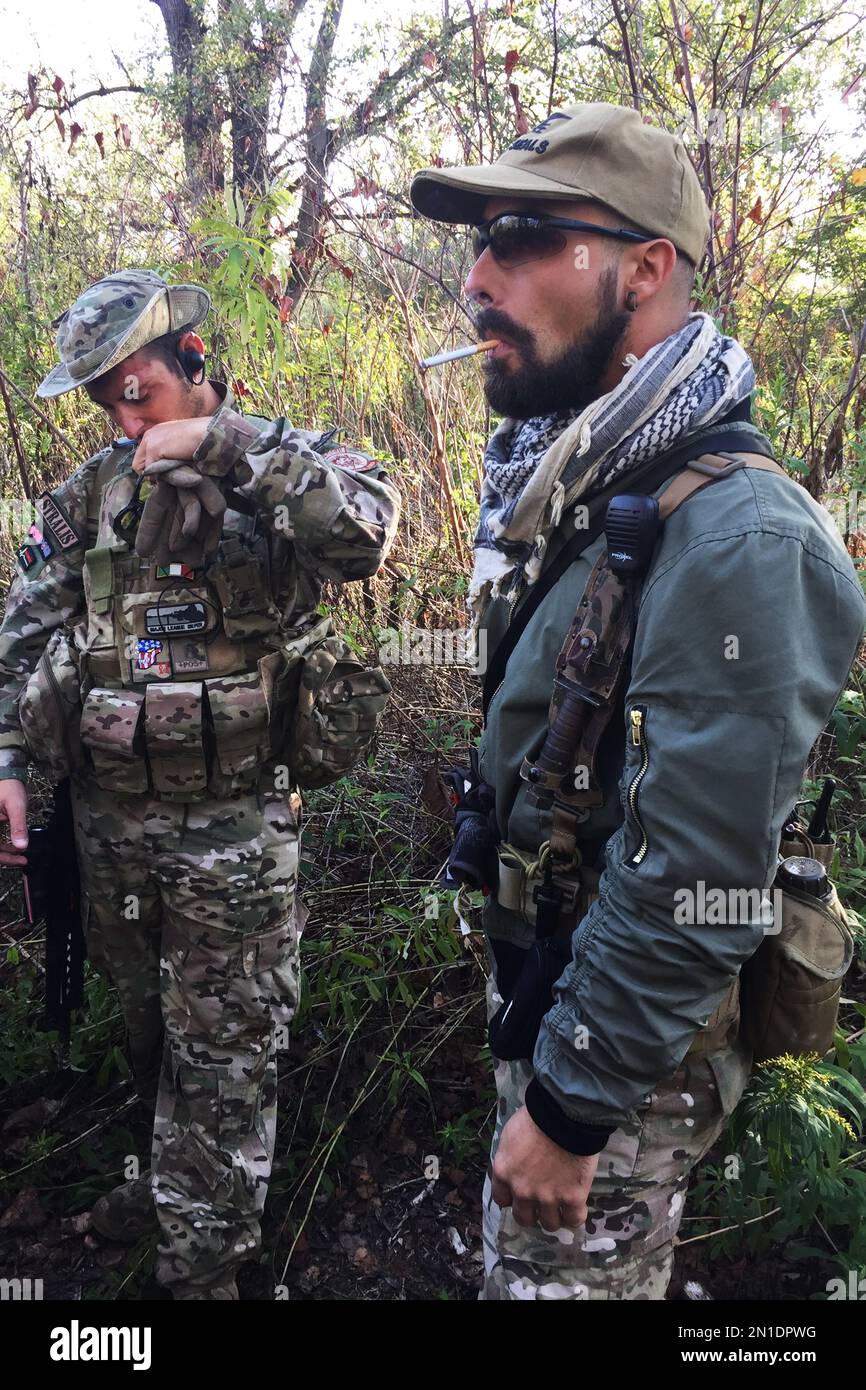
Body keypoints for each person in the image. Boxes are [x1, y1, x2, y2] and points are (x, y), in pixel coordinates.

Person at [410, 102, 866, 1300]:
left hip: (619, 1068)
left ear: (644, 268)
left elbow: (702, 875)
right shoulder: (590, 478)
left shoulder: (737, 536)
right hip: (554, 992)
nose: (475, 277)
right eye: (476, 239)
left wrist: (569, 1107)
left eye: (515, 233)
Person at [0, 270, 400, 1299]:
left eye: (135, 388)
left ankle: (205, 1264)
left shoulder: (286, 460)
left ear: (192, 360)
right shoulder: (92, 494)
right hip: (112, 822)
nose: (121, 414)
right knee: (149, 1031)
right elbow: (29, 633)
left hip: (235, 827)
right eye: (102, 398)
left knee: (225, 1049)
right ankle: (171, 1183)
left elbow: (363, 530)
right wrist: (8, 762)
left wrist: (225, 452)